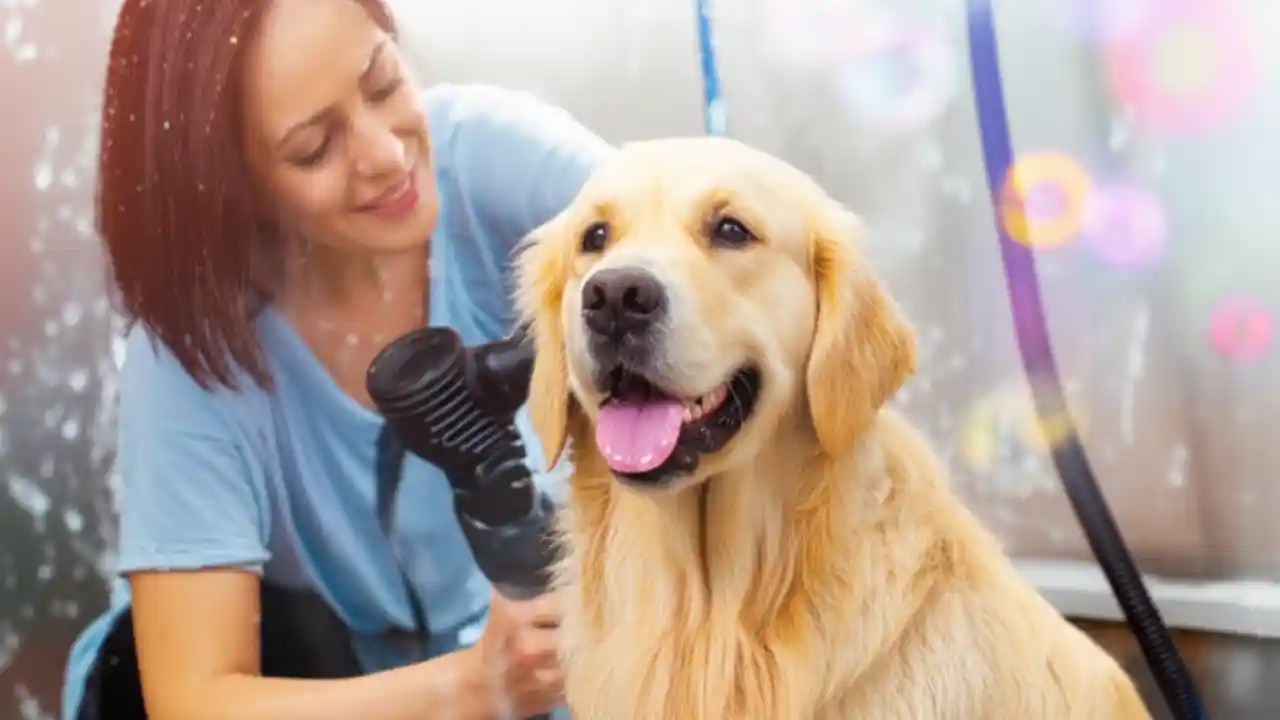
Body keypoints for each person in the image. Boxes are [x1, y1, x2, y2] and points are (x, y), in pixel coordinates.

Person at [61, 0, 613, 718]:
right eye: (314, 148)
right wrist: (477, 688)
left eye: (383, 82)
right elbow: (195, 702)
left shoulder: (492, 164)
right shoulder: (192, 363)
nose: (385, 154)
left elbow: (694, 245)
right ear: (235, 189)